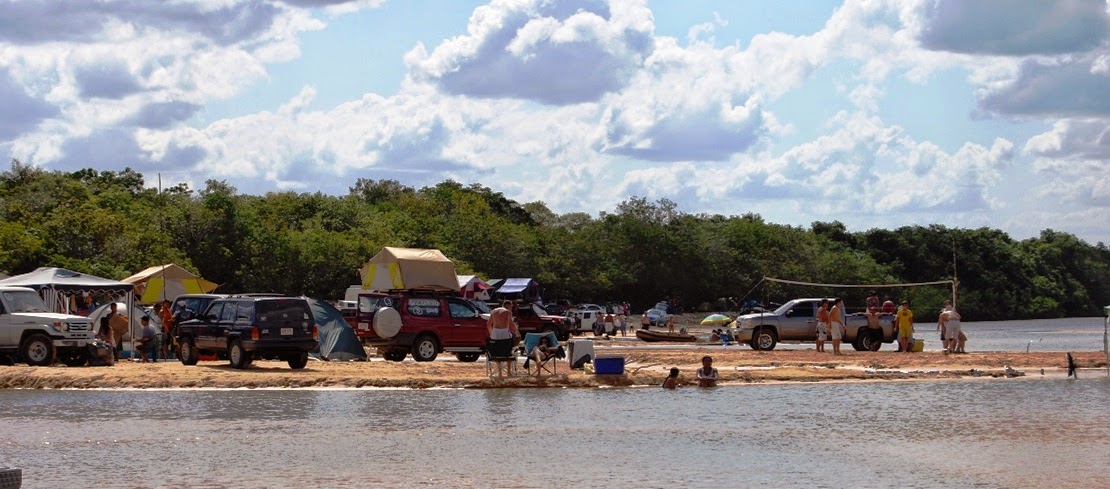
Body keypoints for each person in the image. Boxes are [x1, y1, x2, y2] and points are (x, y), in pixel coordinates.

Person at [487, 300, 520, 377]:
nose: (511, 309)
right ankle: (508, 372)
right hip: (504, 331)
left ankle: (500, 373)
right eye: (511, 307)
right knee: (508, 350)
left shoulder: (494, 311)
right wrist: (516, 331)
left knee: (497, 350)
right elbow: (510, 323)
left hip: (495, 332)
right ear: (508, 306)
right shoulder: (507, 312)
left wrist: (491, 333)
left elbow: (488, 324)